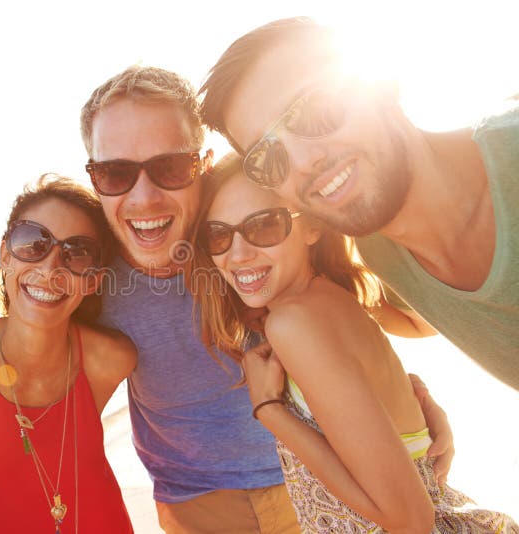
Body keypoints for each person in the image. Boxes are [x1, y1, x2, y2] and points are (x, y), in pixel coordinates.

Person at [80, 65, 457, 534]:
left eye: (170, 167)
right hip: (197, 503)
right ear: (94, 178)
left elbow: (380, 322)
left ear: (202, 164)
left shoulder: (248, 239)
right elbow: (46, 384)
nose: (145, 196)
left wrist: (408, 405)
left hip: (317, 478)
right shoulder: (89, 280)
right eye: (115, 172)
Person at [190, 152, 517, 532]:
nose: (238, 254)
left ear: (312, 228)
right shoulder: (328, 301)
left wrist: (269, 409)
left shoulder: (293, 323)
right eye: (218, 234)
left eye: (264, 226)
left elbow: (411, 520)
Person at [199, 16, 519, 390]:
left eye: (314, 111)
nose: (303, 162)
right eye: (267, 156)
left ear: (381, 85)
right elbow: (415, 323)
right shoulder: (382, 253)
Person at [0, 174, 136, 534]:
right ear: (4, 254)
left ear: (93, 280)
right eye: (32, 242)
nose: (50, 269)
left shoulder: (112, 358)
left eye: (77, 253)